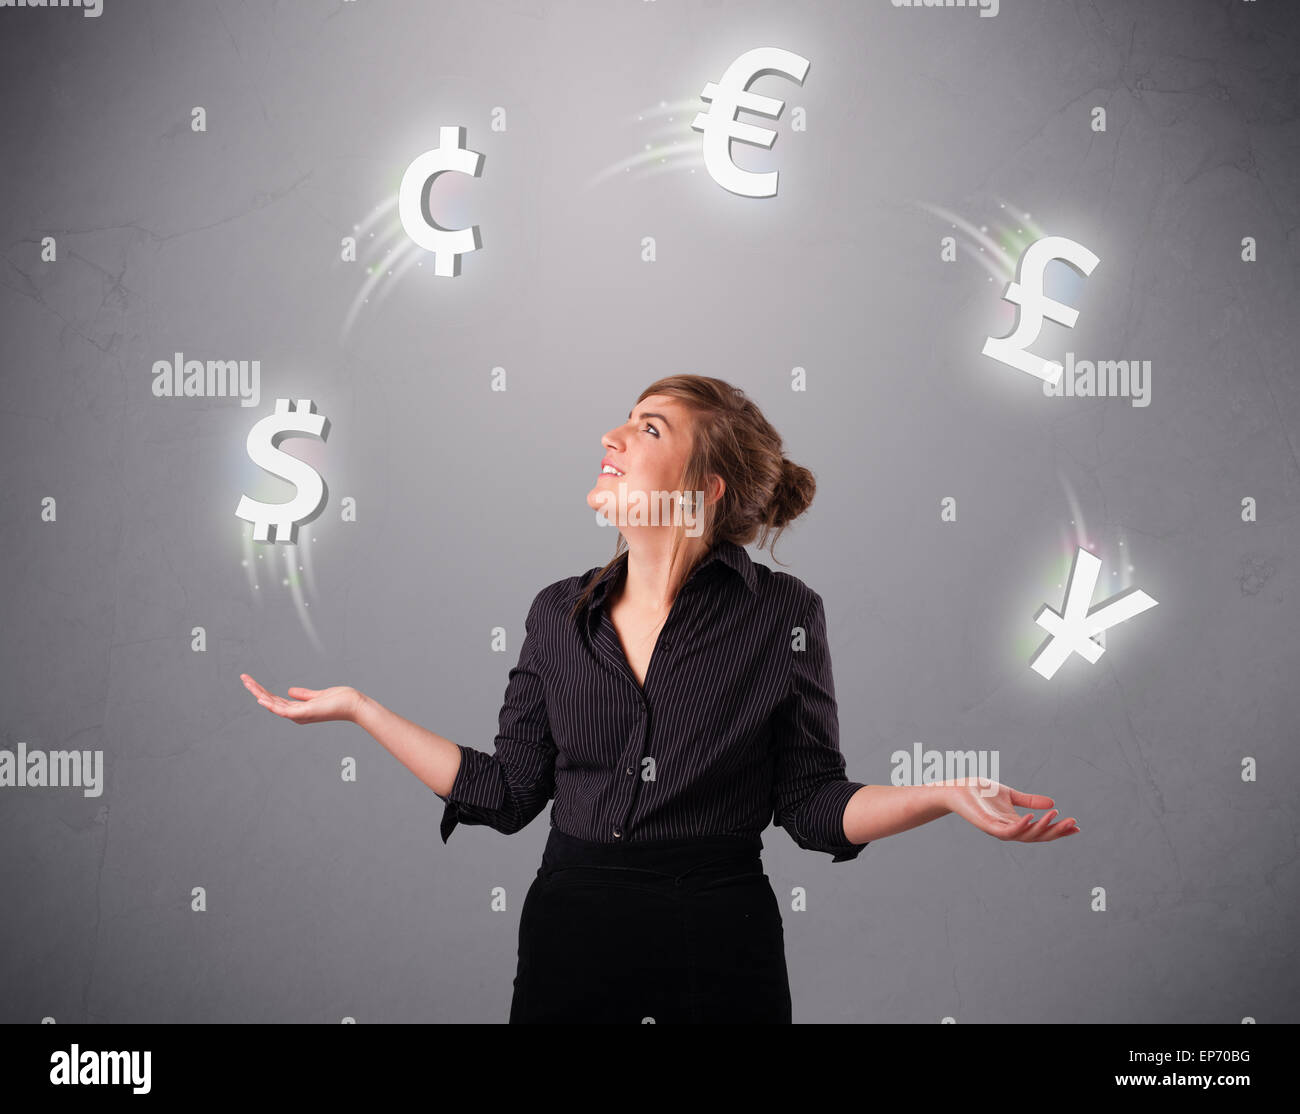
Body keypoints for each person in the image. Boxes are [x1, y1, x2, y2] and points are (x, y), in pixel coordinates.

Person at [240, 373, 1078, 1024]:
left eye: (647, 428)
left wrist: (941, 794)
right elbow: (505, 794)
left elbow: (813, 803)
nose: (611, 436)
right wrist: (361, 709)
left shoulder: (785, 615)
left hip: (718, 924)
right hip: (572, 919)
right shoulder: (556, 613)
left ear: (704, 488)